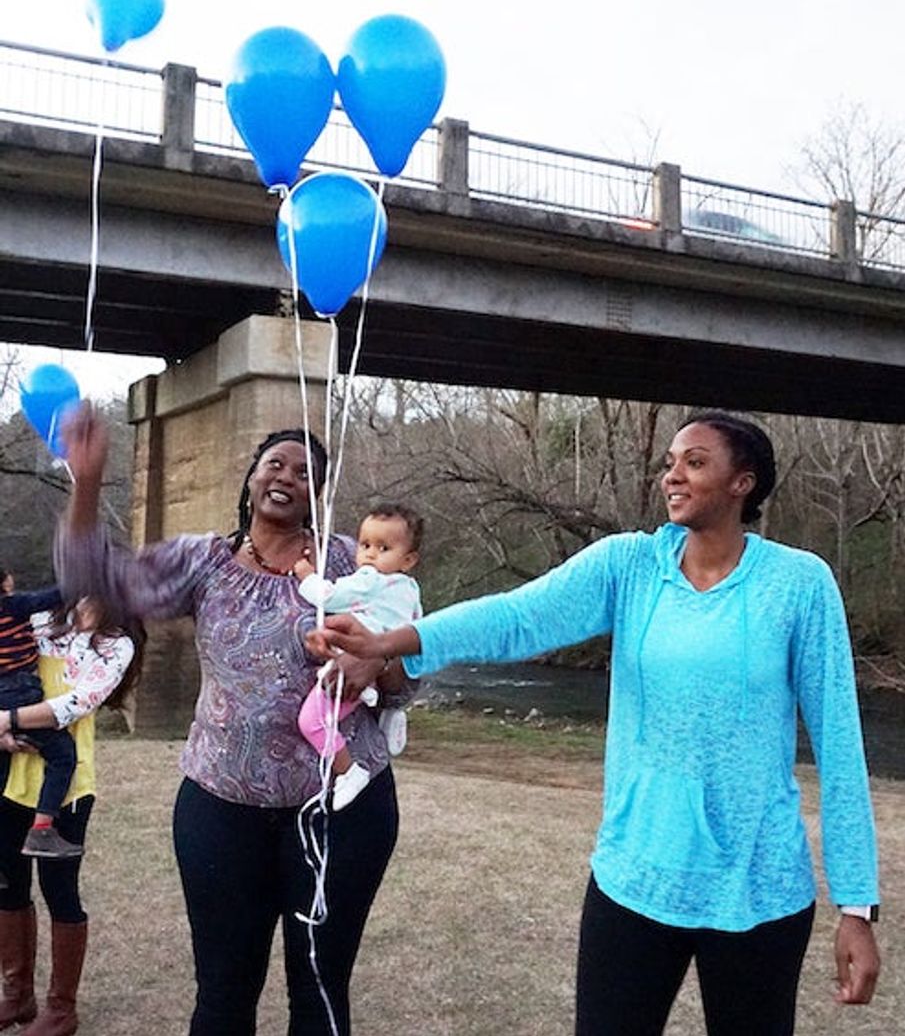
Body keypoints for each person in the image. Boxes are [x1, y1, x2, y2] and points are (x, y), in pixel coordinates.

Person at [308, 411, 881, 1036]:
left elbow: (839, 743)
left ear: (743, 483)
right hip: (634, 877)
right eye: (669, 463)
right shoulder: (631, 566)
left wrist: (856, 905)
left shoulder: (798, 584)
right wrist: (388, 642)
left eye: (694, 462)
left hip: (759, 888)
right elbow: (516, 617)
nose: (673, 476)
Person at [54, 405, 419, 1036]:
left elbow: (410, 676)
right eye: (275, 462)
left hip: (341, 814)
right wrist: (86, 485)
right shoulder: (206, 561)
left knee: (320, 993)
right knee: (223, 995)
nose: (287, 475)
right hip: (221, 811)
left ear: (319, 495)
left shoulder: (354, 565)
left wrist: (377, 668)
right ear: (251, 478)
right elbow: (95, 577)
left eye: (306, 472)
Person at [0, 595, 141, 1035]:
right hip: (13, 778)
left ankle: (61, 1009)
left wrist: (6, 718)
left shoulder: (117, 645)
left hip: (66, 789)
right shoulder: (43, 619)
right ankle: (17, 996)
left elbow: (73, 706)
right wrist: (4, 733)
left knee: (59, 890)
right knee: (8, 884)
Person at [295, 502, 423, 809]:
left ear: (408, 559)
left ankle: (349, 772)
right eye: (365, 544)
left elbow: (328, 596)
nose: (369, 554)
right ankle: (387, 708)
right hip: (385, 656)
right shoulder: (410, 588)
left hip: (356, 659)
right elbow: (416, 631)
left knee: (312, 721)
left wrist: (306, 574)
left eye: (383, 547)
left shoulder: (369, 580)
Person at [0, 570, 81, 860]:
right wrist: (83, 577)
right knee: (63, 754)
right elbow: (52, 597)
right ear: (5, 583)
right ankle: (42, 829)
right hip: (19, 695)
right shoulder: (12, 605)